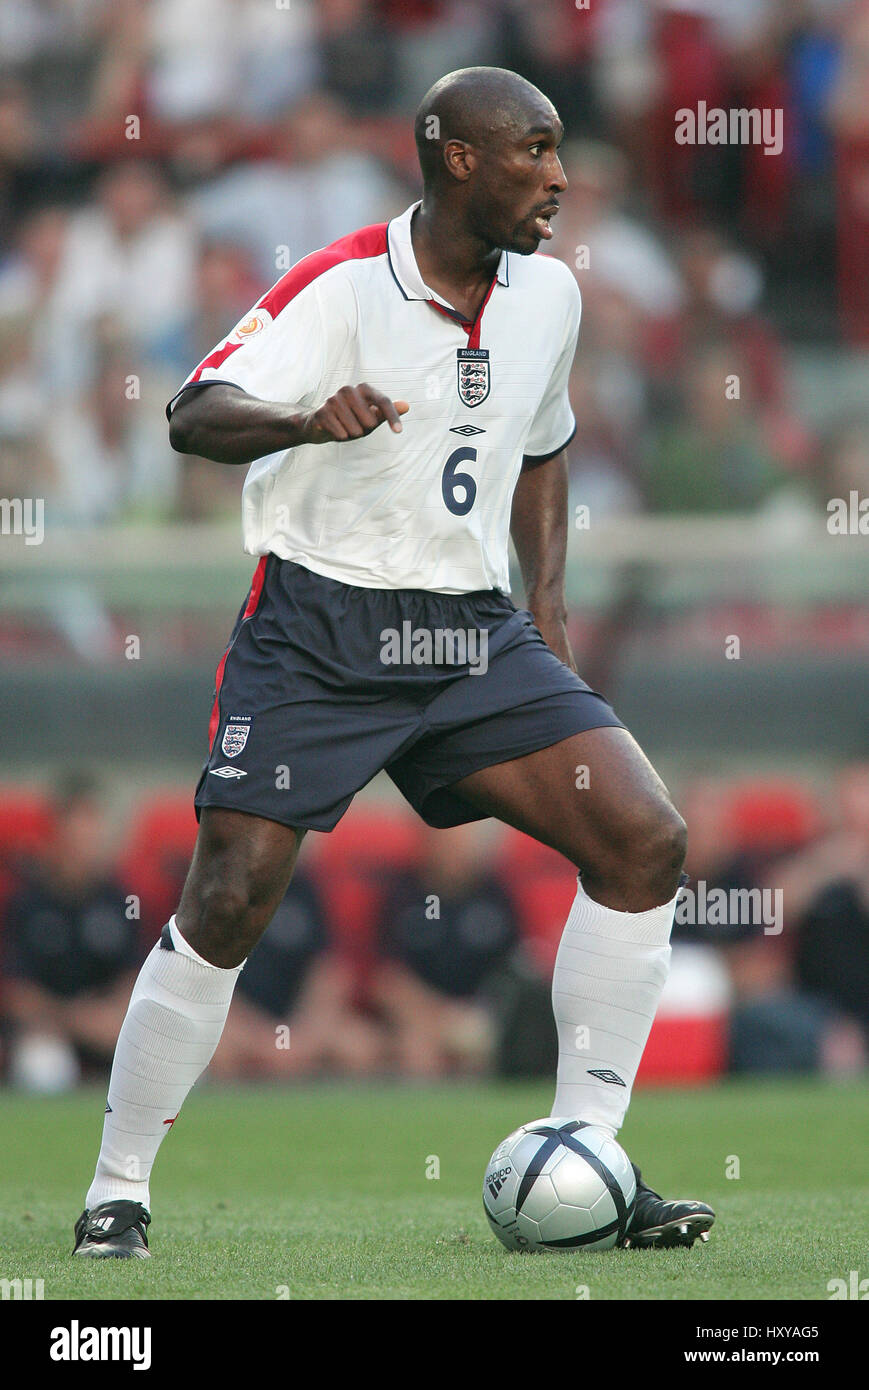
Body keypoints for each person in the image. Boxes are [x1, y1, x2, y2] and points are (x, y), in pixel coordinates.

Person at [72, 66, 713, 1259]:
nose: (559, 177)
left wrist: (551, 613)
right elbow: (194, 412)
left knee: (643, 840)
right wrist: (303, 419)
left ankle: (592, 1156)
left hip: (470, 632)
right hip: (315, 631)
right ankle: (118, 1188)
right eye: (533, 151)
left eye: (559, 151)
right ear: (457, 159)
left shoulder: (549, 300)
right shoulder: (339, 284)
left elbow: (542, 444)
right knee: (224, 903)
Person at [3, 772, 143, 1090]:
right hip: (46, 1030)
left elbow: (136, 975)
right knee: (45, 1071)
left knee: (168, 1065)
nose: (89, 845)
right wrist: (75, 1020)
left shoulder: (120, 898)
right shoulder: (26, 901)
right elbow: (16, 993)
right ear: (57, 836)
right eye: (80, 834)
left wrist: (115, 1015)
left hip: (108, 1028)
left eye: (96, 834)